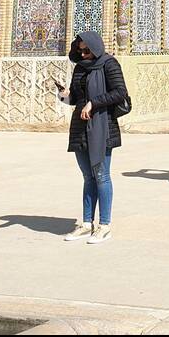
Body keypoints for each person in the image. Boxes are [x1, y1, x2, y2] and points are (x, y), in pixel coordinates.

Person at [57, 30, 127, 243]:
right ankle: (87, 223)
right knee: (88, 177)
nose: (84, 55)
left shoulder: (109, 64)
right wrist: (64, 96)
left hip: (102, 126)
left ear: (96, 47)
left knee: (102, 175)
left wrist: (94, 103)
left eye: (87, 51)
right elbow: (76, 96)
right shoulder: (80, 68)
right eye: (81, 51)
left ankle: (104, 225)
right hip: (80, 127)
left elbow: (120, 92)